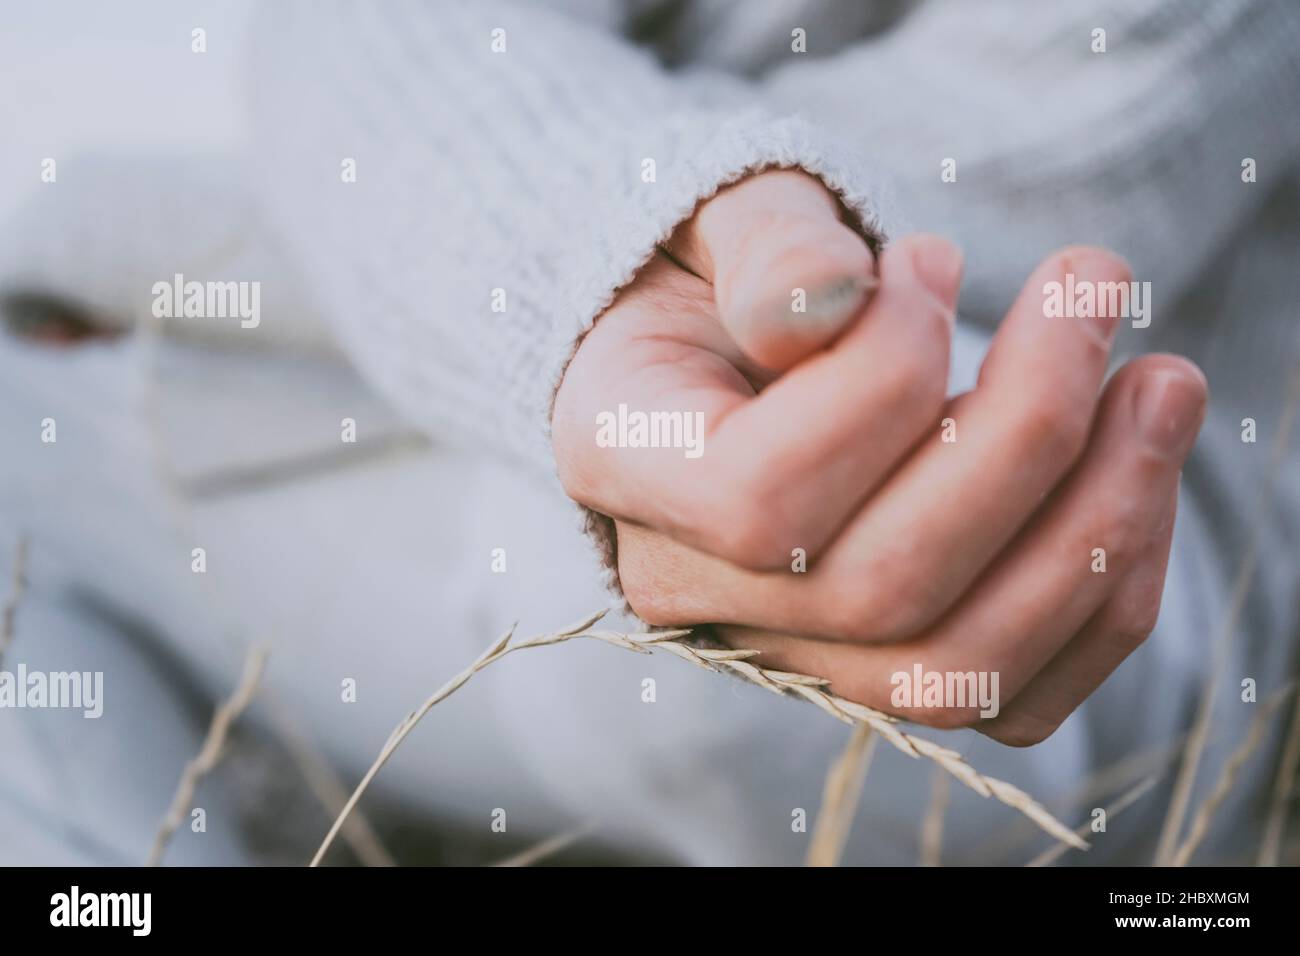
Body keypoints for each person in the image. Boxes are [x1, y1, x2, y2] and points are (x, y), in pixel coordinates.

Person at [1, 0, 1297, 865]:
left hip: (1140, 549)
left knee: (701, 531)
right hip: (497, 425)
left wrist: (154, 247)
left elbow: (991, 191)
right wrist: (573, 282)